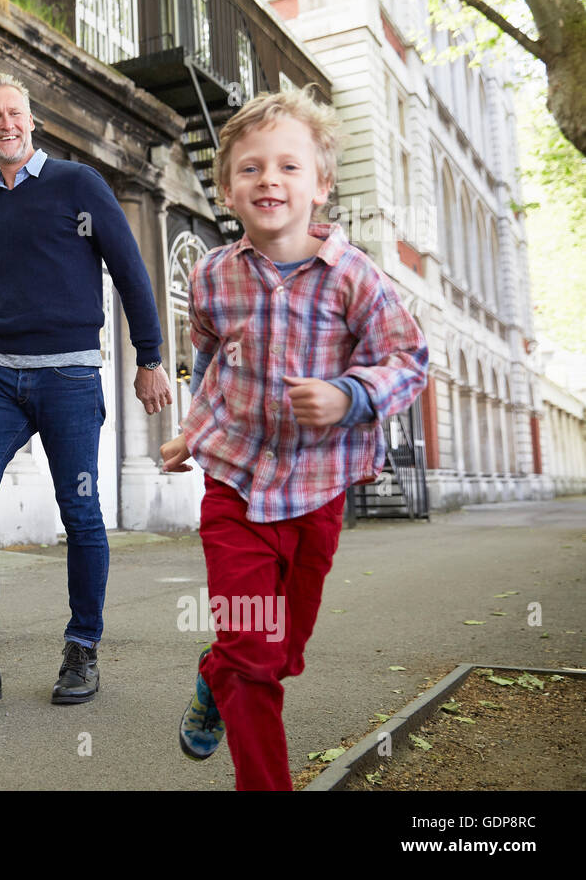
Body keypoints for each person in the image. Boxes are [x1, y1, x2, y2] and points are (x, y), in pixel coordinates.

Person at [160, 85, 428, 789]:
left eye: (288, 167)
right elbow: (212, 359)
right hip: (235, 487)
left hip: (318, 495)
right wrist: (194, 429)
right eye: (250, 168)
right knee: (256, 654)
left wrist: (350, 395)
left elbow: (409, 360)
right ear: (225, 188)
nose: (269, 180)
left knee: (282, 653)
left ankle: (213, 674)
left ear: (321, 185)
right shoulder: (213, 276)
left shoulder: (355, 279)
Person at [0, 73, 173, 709]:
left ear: (32, 120)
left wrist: (151, 358)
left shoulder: (78, 185)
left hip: (71, 376)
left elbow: (130, 271)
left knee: (80, 514)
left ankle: (82, 648)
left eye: (14, 113)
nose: (5, 124)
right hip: (1, 378)